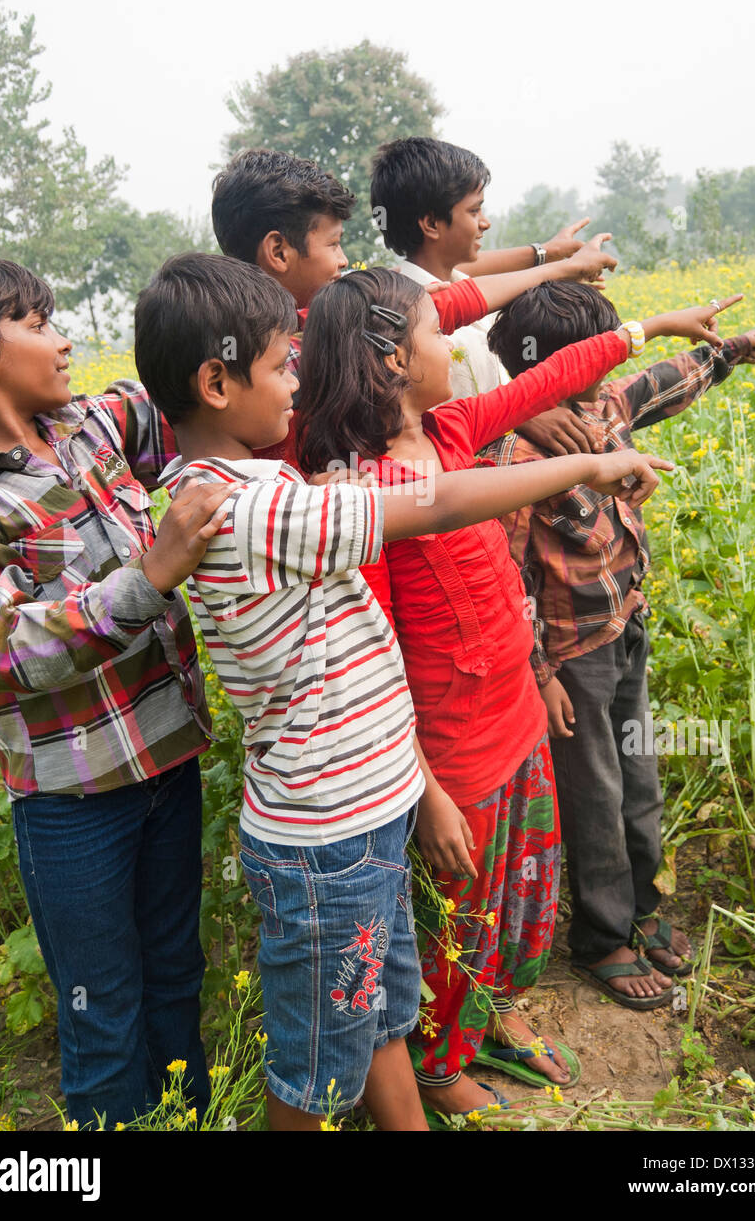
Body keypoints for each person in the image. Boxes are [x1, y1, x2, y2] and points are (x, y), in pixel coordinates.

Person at [133, 252, 665, 1131]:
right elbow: (434, 502)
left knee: (378, 1010)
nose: (296, 381)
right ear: (217, 382)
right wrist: (582, 467)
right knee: (317, 1064)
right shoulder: (256, 507)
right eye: (279, 366)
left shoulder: (266, 486)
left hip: (365, 800)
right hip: (326, 831)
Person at [297, 268, 720, 1112]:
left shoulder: (451, 429)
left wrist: (649, 328)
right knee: (462, 915)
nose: (451, 343)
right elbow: (373, 655)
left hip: (518, 717)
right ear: (388, 360)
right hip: (454, 753)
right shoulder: (362, 492)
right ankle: (443, 1063)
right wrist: (424, 795)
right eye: (431, 331)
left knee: (523, 894)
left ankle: (494, 1014)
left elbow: (547, 379)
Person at [0, 257, 237, 1127]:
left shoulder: (93, 426)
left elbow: (205, 374)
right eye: (38, 323)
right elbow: (3, 647)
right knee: (100, 1010)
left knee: (176, 971)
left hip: (167, 759)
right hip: (75, 801)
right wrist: (153, 573)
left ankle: (180, 1117)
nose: (64, 338)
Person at [486, 281, 755, 1007]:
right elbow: (508, 574)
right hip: (572, 652)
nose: (610, 367)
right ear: (556, 364)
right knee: (596, 792)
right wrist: (539, 669)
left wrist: (725, 357)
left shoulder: (597, 409)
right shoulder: (516, 452)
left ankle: (643, 910)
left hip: (625, 622)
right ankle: (603, 936)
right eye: (598, 353)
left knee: (639, 775)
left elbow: (652, 388)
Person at [211, 146, 616, 462]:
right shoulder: (311, 337)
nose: (343, 260)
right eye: (333, 243)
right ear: (279, 251)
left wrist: (546, 256)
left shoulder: (312, 317)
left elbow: (459, 286)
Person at [369, 135, 600, 412]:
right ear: (431, 224)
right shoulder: (398, 315)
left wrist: (549, 258)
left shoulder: (470, 291)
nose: (485, 223)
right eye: (474, 210)